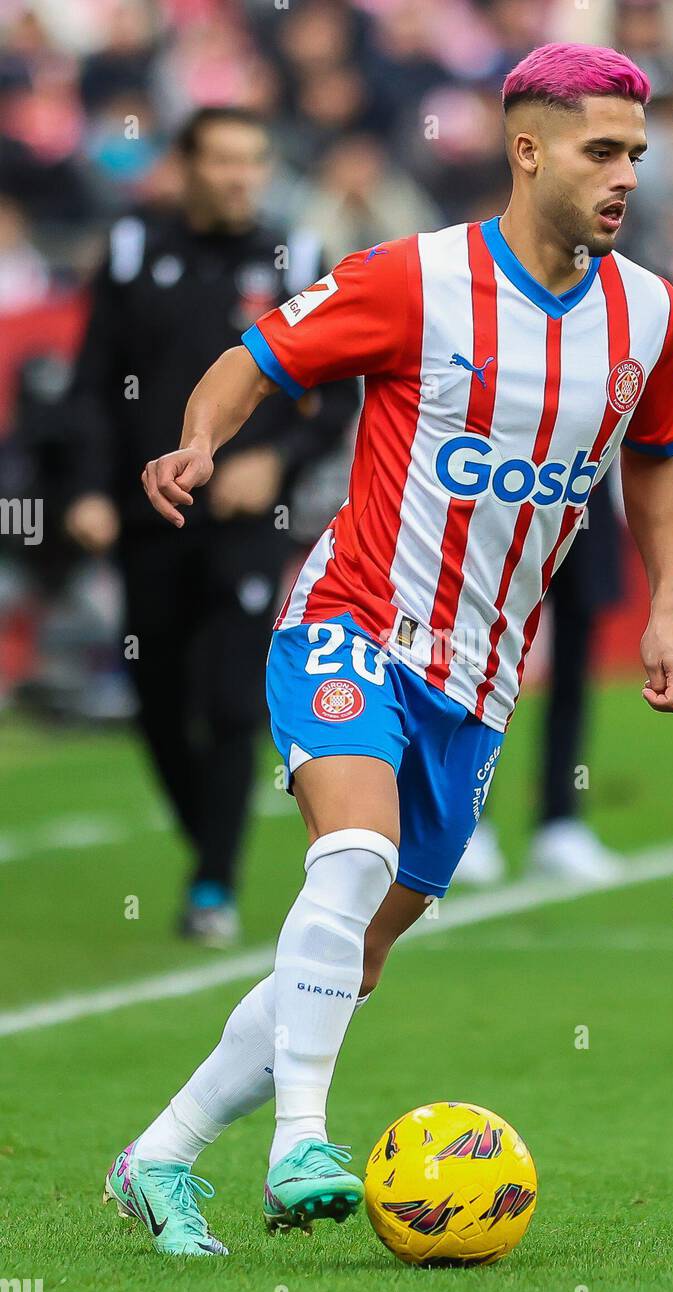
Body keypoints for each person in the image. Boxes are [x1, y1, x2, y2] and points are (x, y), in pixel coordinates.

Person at [103, 44, 673, 1256]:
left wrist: (670, 604)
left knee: (351, 960)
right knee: (355, 850)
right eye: (599, 150)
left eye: (634, 152)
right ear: (525, 150)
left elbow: (657, 455)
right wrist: (198, 441)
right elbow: (254, 356)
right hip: (355, 620)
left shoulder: (650, 313)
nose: (624, 174)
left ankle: (158, 1156)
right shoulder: (412, 280)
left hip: (477, 684)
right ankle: (299, 1145)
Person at [63, 107, 359, 946]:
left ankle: (212, 885)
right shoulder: (132, 253)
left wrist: (279, 461)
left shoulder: (295, 261)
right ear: (185, 167)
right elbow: (92, 383)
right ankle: (209, 845)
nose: (240, 176)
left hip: (244, 519)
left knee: (233, 698)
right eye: (223, 160)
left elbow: (335, 393)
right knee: (155, 696)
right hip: (148, 511)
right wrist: (88, 488)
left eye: (253, 160)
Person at [455, 470, 624, 887]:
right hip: (507, 481)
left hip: (583, 480)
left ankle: (560, 820)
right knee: (476, 661)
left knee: (574, 659)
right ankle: (464, 822)